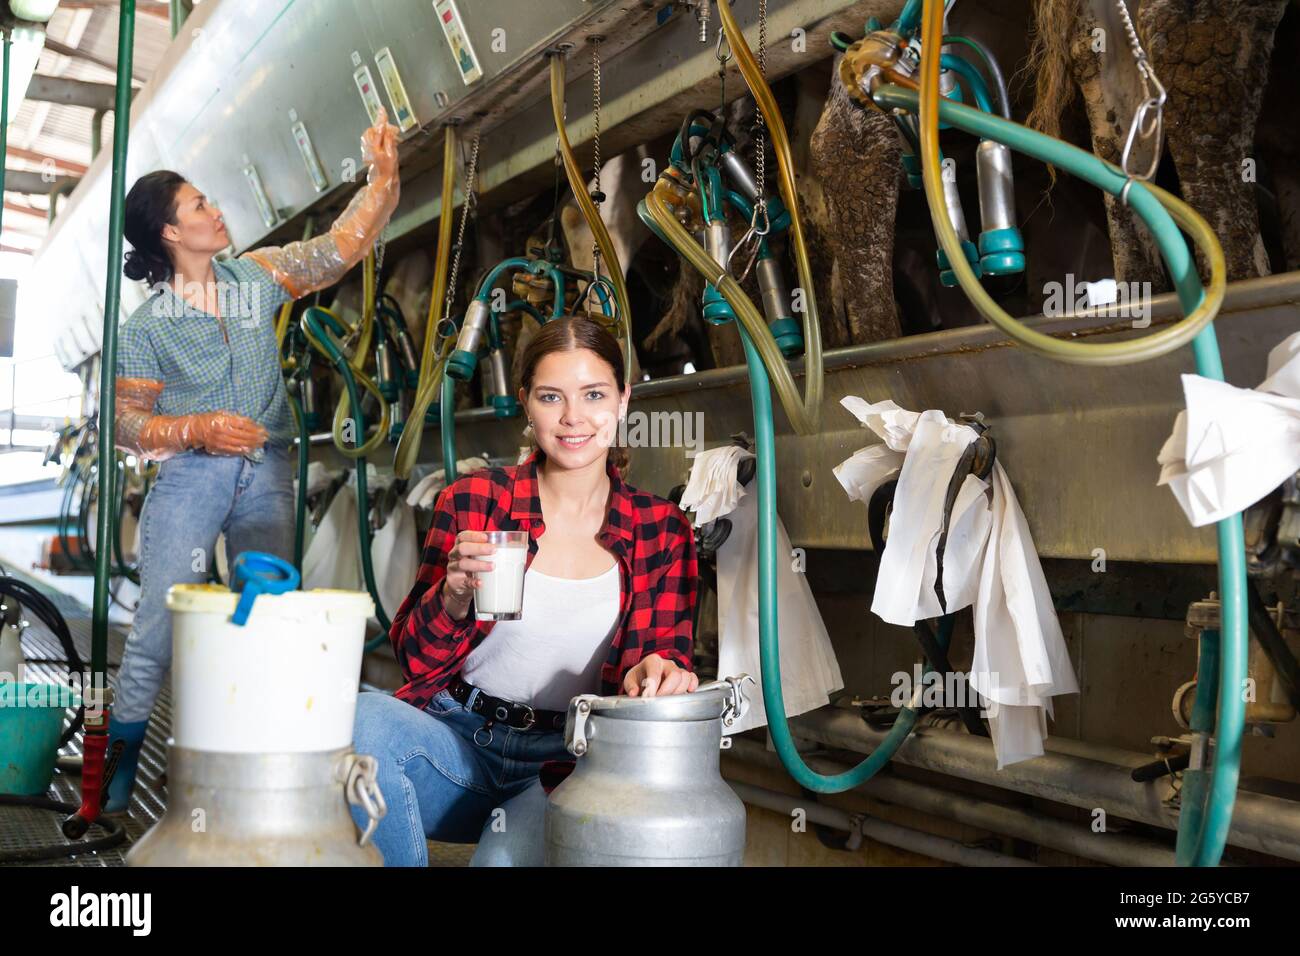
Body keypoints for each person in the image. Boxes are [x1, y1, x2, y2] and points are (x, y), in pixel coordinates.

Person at [104, 109, 401, 813]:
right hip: (190, 480)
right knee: (155, 631)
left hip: (269, 472)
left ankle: (248, 782)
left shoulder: (257, 275)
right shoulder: (144, 329)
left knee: (262, 616)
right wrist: (195, 429)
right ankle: (111, 789)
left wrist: (382, 178)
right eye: (198, 204)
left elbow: (340, 247)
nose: (214, 209)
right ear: (172, 233)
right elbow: (124, 425)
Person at [352, 317, 699, 866]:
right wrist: (452, 596)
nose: (572, 417)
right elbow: (414, 661)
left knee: (499, 862)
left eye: (593, 394)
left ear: (624, 399)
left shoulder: (661, 529)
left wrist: (661, 672)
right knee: (360, 721)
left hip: (567, 762)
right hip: (459, 743)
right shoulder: (475, 500)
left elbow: (665, 658)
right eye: (550, 396)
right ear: (525, 404)